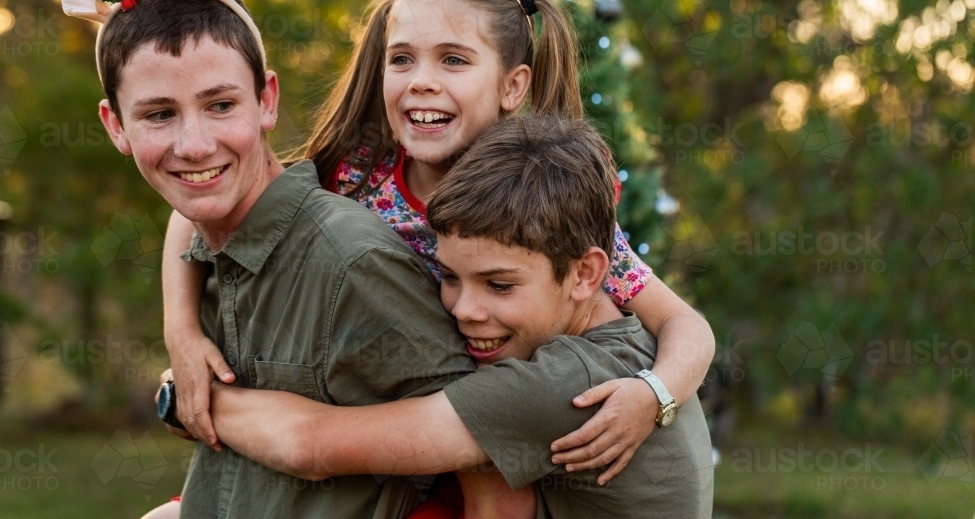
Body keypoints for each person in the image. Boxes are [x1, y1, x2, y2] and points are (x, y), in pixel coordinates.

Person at [161, 0, 716, 490]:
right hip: (388, 443)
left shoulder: (542, 205)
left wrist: (655, 395)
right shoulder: (357, 175)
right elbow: (205, 201)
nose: (421, 80)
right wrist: (182, 332)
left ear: (512, 86)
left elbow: (684, 323)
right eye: (402, 59)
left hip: (497, 451)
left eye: (453, 59)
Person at [64, 0, 476, 519]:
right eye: (158, 115)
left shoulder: (350, 263)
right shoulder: (209, 245)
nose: (194, 144)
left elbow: (485, 445)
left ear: (267, 101)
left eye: (221, 105)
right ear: (115, 126)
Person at [203, 115, 716, 519]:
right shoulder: (628, 340)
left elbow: (309, 447)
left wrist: (191, 399)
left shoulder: (567, 386)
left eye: (499, 285)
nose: (464, 311)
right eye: (449, 277)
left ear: (585, 273)